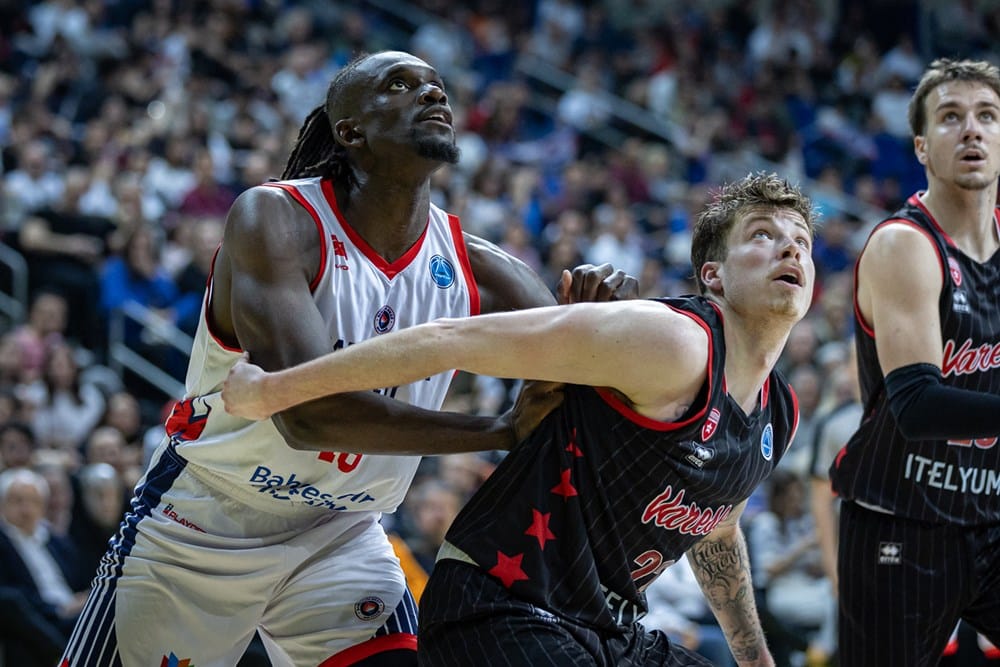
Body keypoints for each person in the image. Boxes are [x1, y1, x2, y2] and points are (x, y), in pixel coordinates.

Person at [61, 50, 634, 667]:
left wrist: (598, 328)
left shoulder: (476, 264)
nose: (433, 94)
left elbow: (576, 390)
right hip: (207, 523)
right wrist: (496, 430)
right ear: (350, 131)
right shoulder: (276, 218)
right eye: (401, 85)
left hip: (344, 534)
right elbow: (307, 416)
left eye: (437, 86)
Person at [223, 171, 818, 666]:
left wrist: (755, 659)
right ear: (713, 274)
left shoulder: (777, 413)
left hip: (606, 628)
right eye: (762, 235)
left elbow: (716, 529)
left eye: (801, 241)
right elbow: (450, 339)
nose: (790, 248)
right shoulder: (674, 342)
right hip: (499, 606)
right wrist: (275, 388)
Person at [828, 58, 1000, 666]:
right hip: (899, 522)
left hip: (990, 515)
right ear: (923, 147)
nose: (972, 130)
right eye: (951, 118)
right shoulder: (906, 244)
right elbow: (918, 406)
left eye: (987, 116)